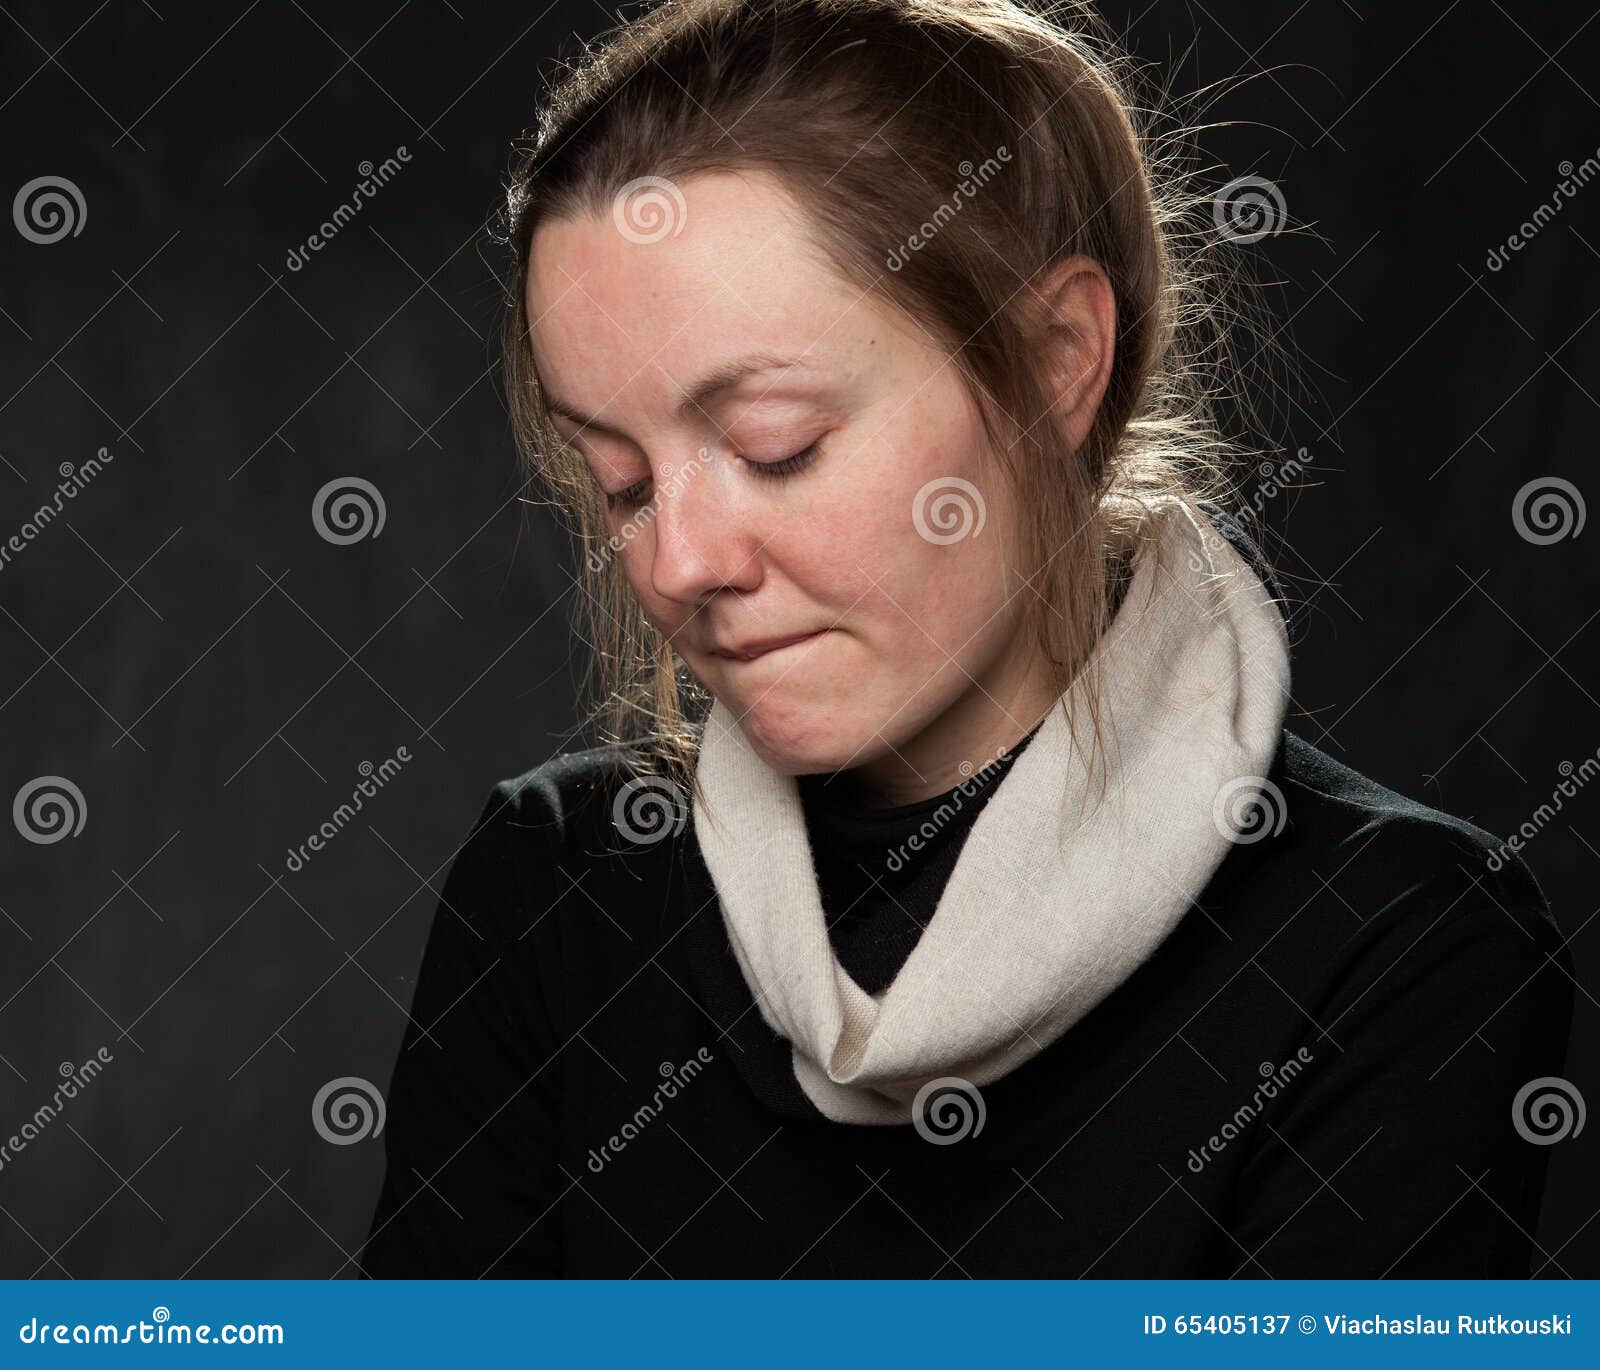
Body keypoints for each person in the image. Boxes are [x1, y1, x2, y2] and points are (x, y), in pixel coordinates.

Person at [360, 0, 1573, 1278]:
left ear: (1056, 360)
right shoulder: (557, 886)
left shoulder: (1396, 942)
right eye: (618, 478)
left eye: (777, 445)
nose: (679, 564)